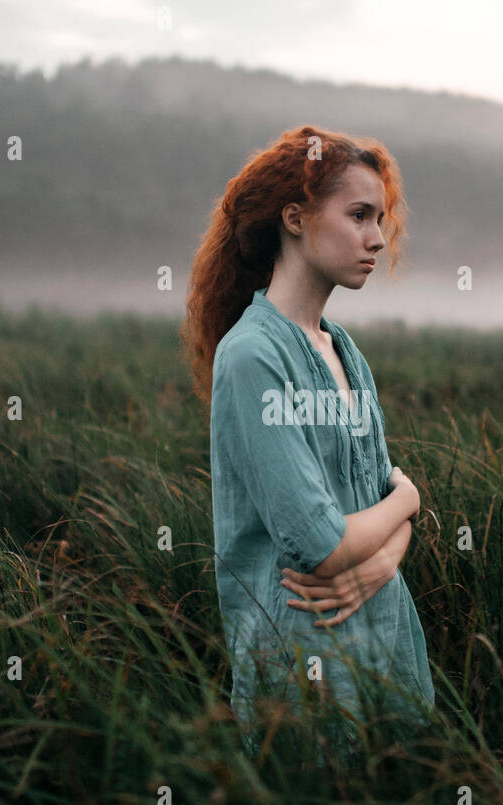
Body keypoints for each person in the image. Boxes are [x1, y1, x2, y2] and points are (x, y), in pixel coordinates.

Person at [180, 125, 437, 767]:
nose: (377, 239)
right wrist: (410, 499)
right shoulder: (251, 356)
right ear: (295, 219)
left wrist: (382, 560)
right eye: (359, 215)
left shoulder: (345, 350)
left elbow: (379, 499)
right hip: (305, 663)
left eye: (380, 219)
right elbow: (321, 544)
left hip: (387, 650)